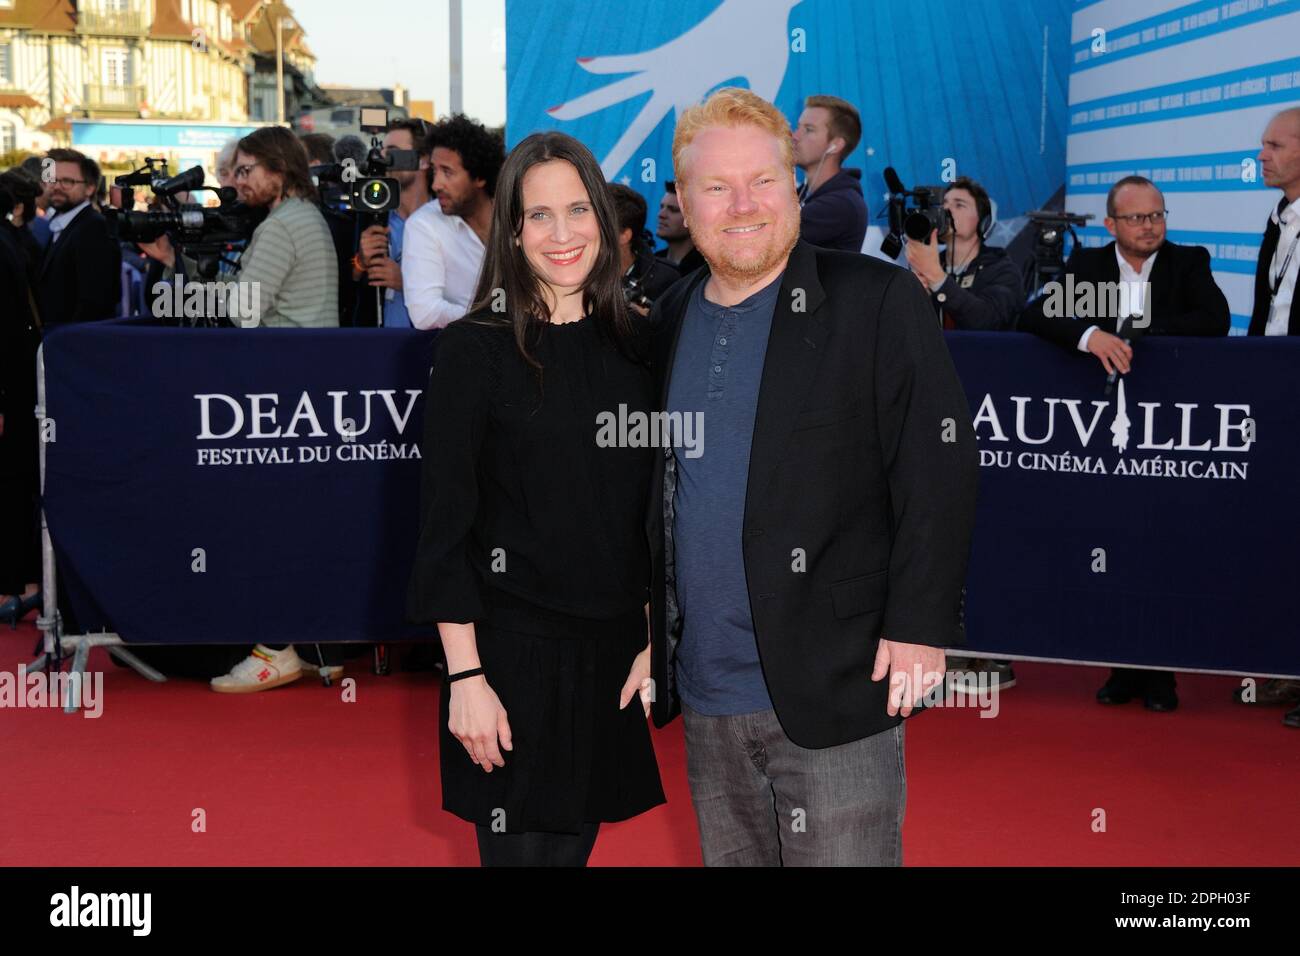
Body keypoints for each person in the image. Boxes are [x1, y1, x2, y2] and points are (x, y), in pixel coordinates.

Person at [647, 87, 978, 866]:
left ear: (796, 184)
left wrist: (921, 625)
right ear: (685, 202)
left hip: (841, 679)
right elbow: (654, 497)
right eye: (716, 187)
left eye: (762, 180)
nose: (742, 205)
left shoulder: (876, 300)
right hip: (705, 693)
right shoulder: (664, 319)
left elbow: (938, 465)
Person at [405, 130, 666, 866]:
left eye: (577, 211)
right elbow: (445, 526)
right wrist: (466, 677)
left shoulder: (641, 346)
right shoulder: (474, 349)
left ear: (608, 225)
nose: (562, 234)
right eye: (538, 214)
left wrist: (653, 639)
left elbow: (653, 510)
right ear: (512, 229)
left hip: (611, 657)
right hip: (507, 658)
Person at [1019, 175, 1230, 713]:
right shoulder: (1088, 267)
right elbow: (1038, 313)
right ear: (1111, 224)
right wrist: (1092, 337)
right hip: (1101, 442)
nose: (1150, 226)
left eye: (1157, 215)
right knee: (1110, 546)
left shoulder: (1189, 262)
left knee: (1159, 550)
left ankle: (1161, 677)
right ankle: (1121, 669)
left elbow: (1214, 321)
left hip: (1170, 442)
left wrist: (1133, 333)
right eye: (1137, 218)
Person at [144, 126, 338, 331]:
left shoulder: (280, 226)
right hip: (305, 353)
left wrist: (192, 301)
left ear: (279, 167)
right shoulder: (303, 212)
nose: (238, 181)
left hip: (287, 355)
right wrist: (172, 259)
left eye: (245, 171)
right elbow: (246, 291)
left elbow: (242, 312)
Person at [1242, 106, 1300, 728]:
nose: (1263, 155)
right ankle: (1286, 667)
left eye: (1276, 145)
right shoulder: (1278, 219)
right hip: (1278, 395)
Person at [402, 114, 502, 330]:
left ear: (480, 176)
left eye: (447, 172)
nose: (436, 184)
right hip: (467, 353)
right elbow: (424, 312)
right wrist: (498, 317)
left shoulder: (518, 217)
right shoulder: (423, 225)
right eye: (434, 171)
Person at [0, 170, 43, 627]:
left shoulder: (8, 245)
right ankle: (25, 581)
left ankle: (15, 583)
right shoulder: (14, 240)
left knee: (12, 484)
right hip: (22, 379)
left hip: (13, 382)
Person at [905, 176, 1024, 331]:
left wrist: (936, 278)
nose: (945, 210)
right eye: (943, 204)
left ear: (984, 222)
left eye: (959, 205)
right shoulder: (927, 265)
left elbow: (988, 321)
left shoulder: (1003, 271)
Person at [353, 118, 432, 328]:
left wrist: (406, 283)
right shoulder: (372, 213)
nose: (382, 158)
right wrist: (360, 261)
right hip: (381, 344)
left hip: (431, 345)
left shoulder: (448, 218)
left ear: (423, 160)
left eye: (393, 152)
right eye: (382, 151)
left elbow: (465, 293)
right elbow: (351, 282)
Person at [34, 149, 121, 329]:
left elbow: (95, 302)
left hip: (76, 344)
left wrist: (69, 345)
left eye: (67, 181)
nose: (57, 187)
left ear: (90, 188)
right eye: (52, 180)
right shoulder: (64, 224)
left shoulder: (94, 228)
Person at [791, 94, 868, 252]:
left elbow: (768, 239)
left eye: (808, 130)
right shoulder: (804, 194)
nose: (795, 136)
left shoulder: (841, 204)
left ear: (836, 145)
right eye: (798, 127)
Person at [607, 182, 680, 316]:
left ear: (624, 236)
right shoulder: (572, 277)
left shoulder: (667, 281)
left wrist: (649, 322)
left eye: (599, 225)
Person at [655, 181, 704, 274]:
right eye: (662, 207)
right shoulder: (652, 263)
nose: (661, 215)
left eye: (673, 210)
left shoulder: (706, 271)